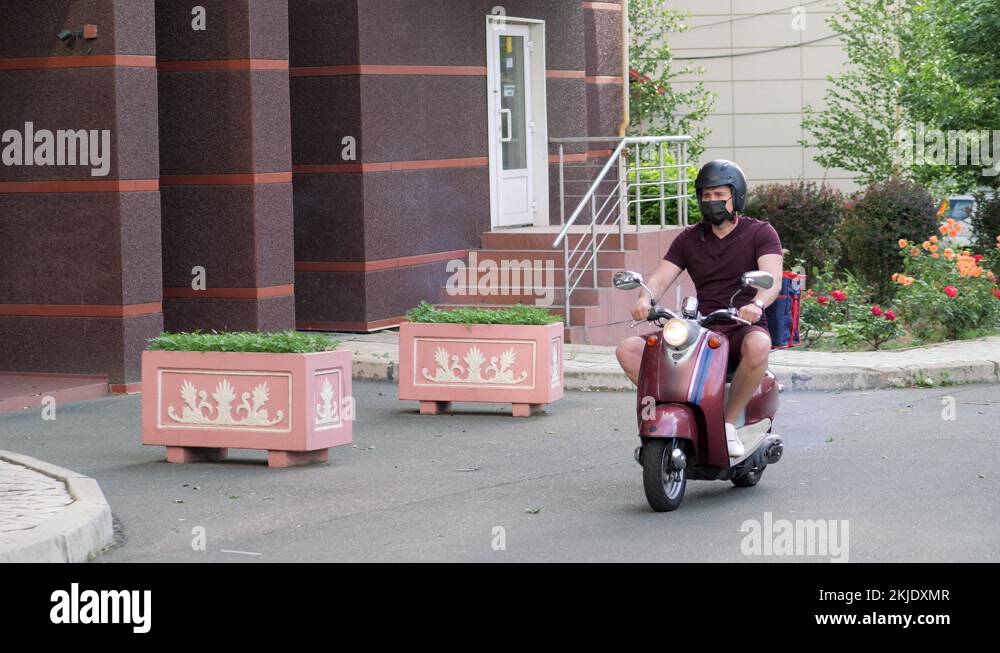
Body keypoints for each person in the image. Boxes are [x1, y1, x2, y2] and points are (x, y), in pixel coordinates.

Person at [615, 160, 783, 457]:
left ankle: (728, 423)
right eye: (705, 195)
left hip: (739, 324)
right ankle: (677, 411)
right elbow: (660, 277)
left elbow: (772, 280)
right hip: (701, 326)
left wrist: (756, 305)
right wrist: (645, 299)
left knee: (760, 344)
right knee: (628, 349)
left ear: (736, 196)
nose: (711, 201)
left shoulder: (760, 233)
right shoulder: (690, 238)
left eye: (719, 195)